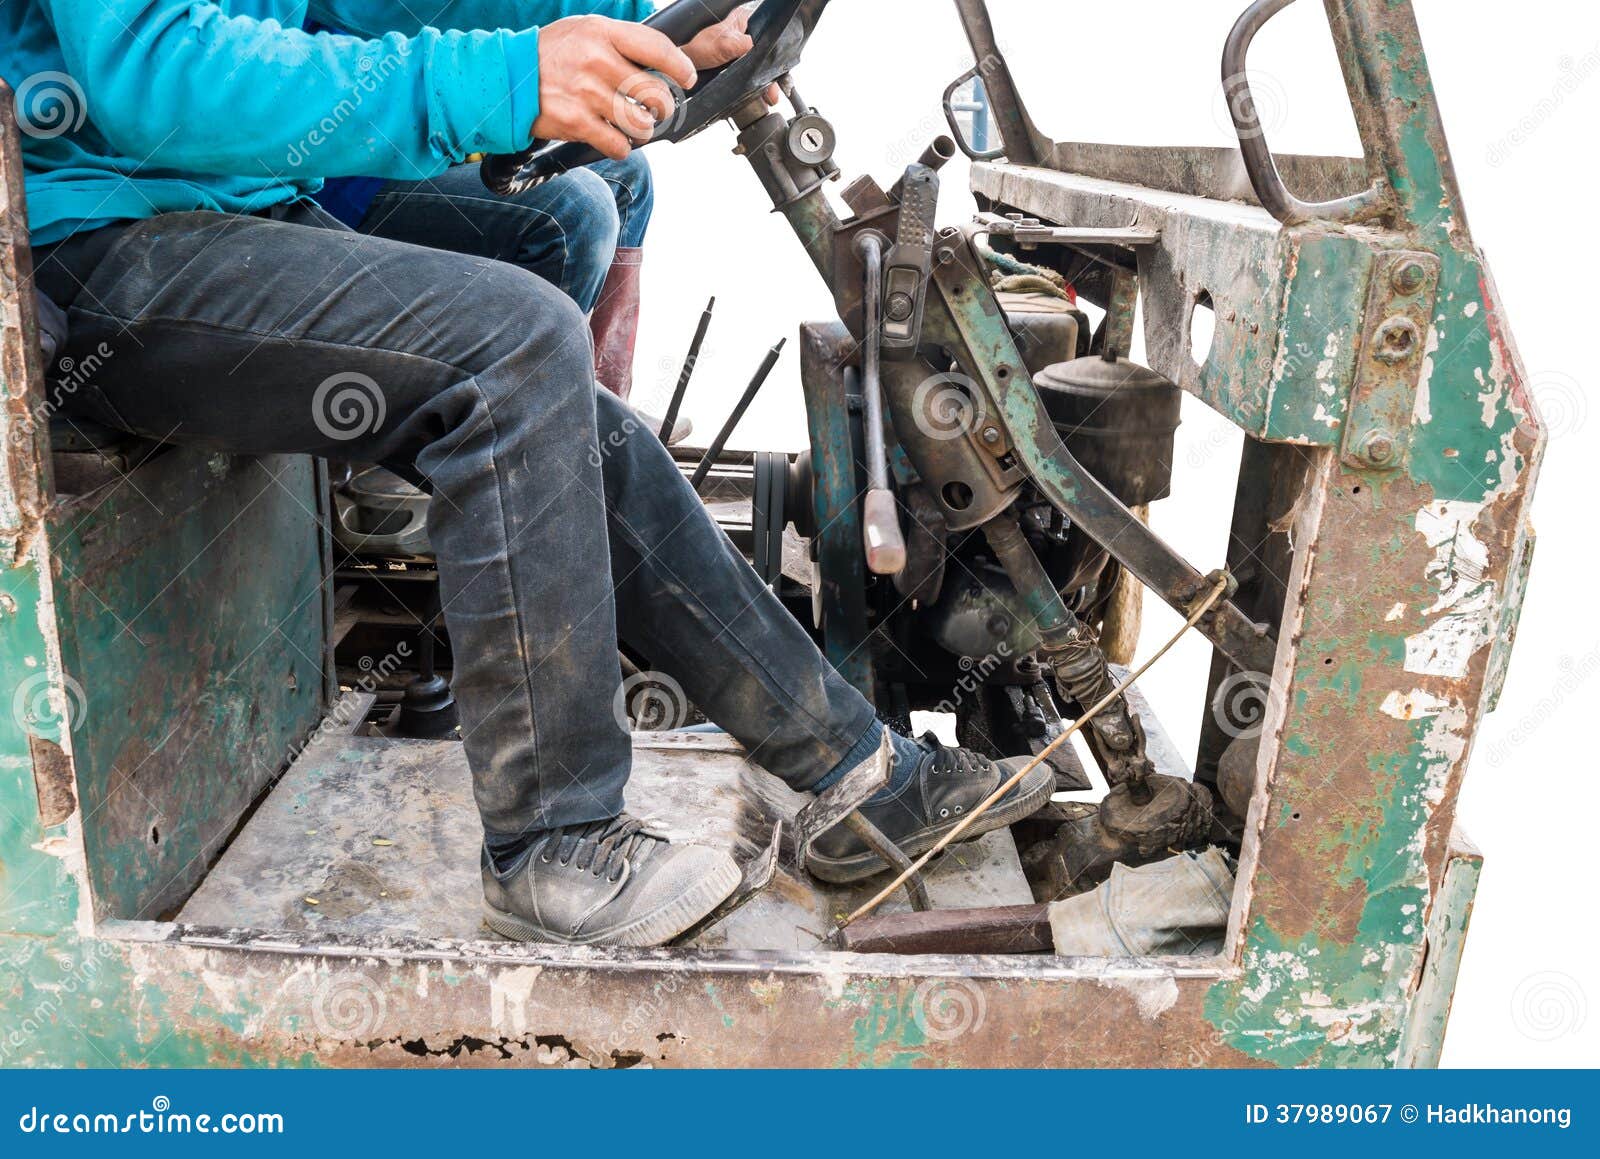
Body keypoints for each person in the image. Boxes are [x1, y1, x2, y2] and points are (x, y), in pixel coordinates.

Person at [7, 0, 1052, 947]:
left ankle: (853, 771)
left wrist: (621, 33)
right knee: (511, 344)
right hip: (93, 241)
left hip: (234, 202)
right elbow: (147, 71)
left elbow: (350, 12)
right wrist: (500, 79)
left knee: (577, 407)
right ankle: (549, 844)